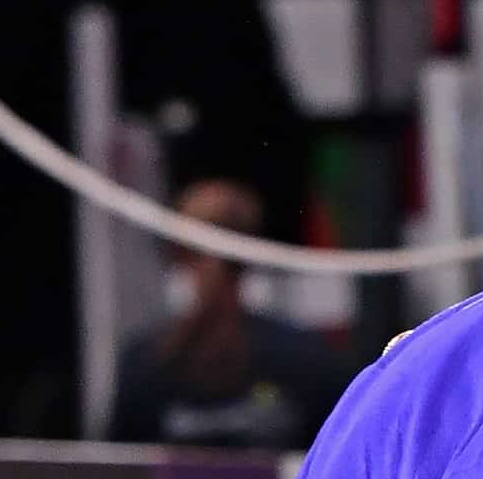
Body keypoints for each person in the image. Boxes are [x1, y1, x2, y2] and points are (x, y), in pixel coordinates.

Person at [107, 179, 357, 450]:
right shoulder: (146, 362)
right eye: (196, 253)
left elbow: (337, 453)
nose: (212, 269)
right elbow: (116, 465)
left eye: (225, 261)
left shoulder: (303, 358)